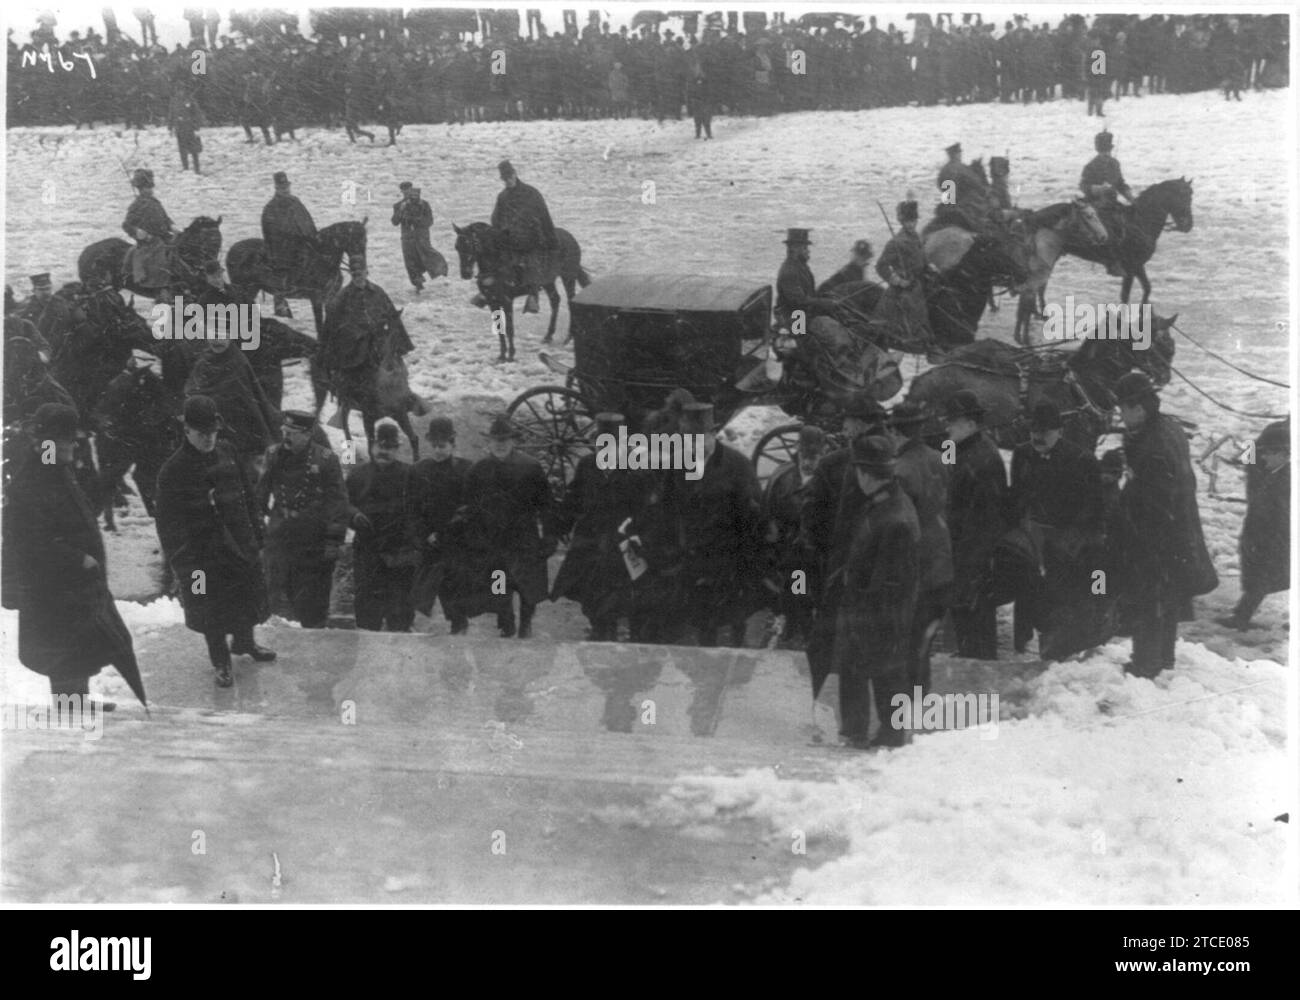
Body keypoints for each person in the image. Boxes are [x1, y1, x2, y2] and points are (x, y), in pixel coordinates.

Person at [2, 402, 141, 715]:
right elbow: (28, 542)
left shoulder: (56, 472)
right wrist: (78, 559)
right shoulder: (29, 484)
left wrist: (110, 478)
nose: (76, 444)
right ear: (48, 442)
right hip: (54, 585)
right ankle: (68, 709)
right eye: (68, 439)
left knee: (77, 643)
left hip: (70, 585)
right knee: (63, 647)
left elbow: (78, 510)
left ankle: (76, 700)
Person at [155, 395, 275, 688]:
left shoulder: (227, 451)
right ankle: (220, 661)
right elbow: (167, 524)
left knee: (246, 597)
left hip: (238, 544)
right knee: (209, 610)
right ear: (187, 431)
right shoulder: (173, 470)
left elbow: (248, 496)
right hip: (200, 556)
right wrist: (183, 563)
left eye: (213, 432)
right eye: (202, 433)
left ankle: (245, 643)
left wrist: (257, 533)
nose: (209, 438)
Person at [1112, 372, 1217, 677]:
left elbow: (1153, 501)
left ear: (1139, 409)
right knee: (1167, 600)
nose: (1120, 415)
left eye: (1123, 409)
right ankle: (1164, 657)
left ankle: (1146, 665)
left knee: (1148, 600)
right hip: (1179, 532)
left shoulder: (1151, 446)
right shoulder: (1169, 427)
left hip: (1157, 537)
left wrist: (1137, 538)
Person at [830, 435, 921, 749]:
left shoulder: (894, 517)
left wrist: (863, 614)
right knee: (859, 669)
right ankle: (856, 730)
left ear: (865, 474)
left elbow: (889, 582)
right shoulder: (885, 501)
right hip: (869, 607)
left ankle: (892, 738)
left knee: (886, 673)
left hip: (880, 612)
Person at [1007, 401, 1104, 660]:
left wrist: (1073, 539)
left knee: (1062, 594)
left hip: (1066, 540)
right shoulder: (1022, 454)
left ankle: (1059, 647)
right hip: (1032, 535)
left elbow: (1094, 507)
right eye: (1034, 431)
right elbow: (1017, 494)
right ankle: (1022, 640)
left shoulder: (1082, 460)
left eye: (1045, 432)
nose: (1038, 437)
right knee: (1026, 587)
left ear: (1060, 431)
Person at [660, 402, 763, 646]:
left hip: (728, 557)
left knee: (735, 618)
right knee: (702, 622)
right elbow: (666, 507)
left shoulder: (738, 465)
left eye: (698, 437)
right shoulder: (676, 464)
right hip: (693, 556)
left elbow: (753, 516)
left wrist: (747, 557)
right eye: (687, 438)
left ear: (712, 435)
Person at [550, 412, 658, 641]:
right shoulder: (588, 465)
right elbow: (574, 497)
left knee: (624, 591)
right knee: (590, 588)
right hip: (591, 536)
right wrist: (560, 525)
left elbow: (648, 508)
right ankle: (599, 628)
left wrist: (639, 533)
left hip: (622, 539)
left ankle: (623, 632)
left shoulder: (636, 470)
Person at [457, 415, 555, 638]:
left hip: (524, 539)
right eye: (495, 440)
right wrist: (472, 537)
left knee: (527, 586)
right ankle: (506, 621)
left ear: (513, 441)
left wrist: (549, 536)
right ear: (489, 443)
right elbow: (468, 507)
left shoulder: (530, 467)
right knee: (499, 585)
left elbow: (547, 506)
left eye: (505, 440)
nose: (500, 444)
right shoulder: (478, 470)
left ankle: (526, 623)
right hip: (493, 541)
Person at [258, 410, 350, 629]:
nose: (286, 437)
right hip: (280, 539)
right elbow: (259, 496)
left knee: (312, 605)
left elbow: (338, 504)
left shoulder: (326, 460)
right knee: (275, 600)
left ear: (308, 434)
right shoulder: (273, 455)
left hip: (312, 542)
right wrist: (260, 531)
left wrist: (333, 542)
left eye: (292, 433)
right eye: (284, 431)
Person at [885, 401, 953, 693]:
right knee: (922, 638)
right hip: (939, 557)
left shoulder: (899, 470)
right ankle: (921, 695)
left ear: (894, 431)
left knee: (905, 637)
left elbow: (900, 524)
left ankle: (907, 703)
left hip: (913, 562)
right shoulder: (939, 459)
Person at [943, 389, 1007, 659]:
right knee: (967, 616)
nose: (946, 427)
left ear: (970, 425)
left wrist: (970, 562)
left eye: (952, 422)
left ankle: (978, 673)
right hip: (964, 551)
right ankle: (971, 659)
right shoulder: (964, 449)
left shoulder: (982, 458)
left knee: (976, 615)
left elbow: (986, 518)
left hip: (975, 555)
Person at [346, 419, 422, 632]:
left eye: (389, 448)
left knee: (400, 612)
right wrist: (354, 516)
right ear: (373, 446)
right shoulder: (358, 475)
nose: (384, 452)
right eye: (380, 446)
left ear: (397, 449)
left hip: (400, 553)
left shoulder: (410, 475)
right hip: (368, 552)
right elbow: (343, 504)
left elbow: (420, 510)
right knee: (367, 613)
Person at [1219, 420, 1288, 629]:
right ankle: (1241, 615)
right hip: (1262, 495)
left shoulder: (1277, 431)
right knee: (1264, 573)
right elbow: (1254, 449)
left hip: (1270, 528)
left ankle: (1241, 616)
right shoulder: (1277, 431)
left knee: (1263, 574)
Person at [183, 336, 280, 484]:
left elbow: (251, 403)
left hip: (238, 437)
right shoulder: (204, 361)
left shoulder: (237, 363)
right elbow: (191, 390)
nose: (216, 341)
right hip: (207, 432)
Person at [762, 424, 826, 644]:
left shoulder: (828, 481)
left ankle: (804, 626)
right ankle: (795, 624)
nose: (808, 462)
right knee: (794, 590)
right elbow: (769, 512)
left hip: (816, 551)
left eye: (814, 457)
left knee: (807, 593)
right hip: (791, 551)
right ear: (798, 453)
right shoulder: (783, 479)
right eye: (804, 456)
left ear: (822, 454)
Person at [410, 416, 472, 634]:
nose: (438, 451)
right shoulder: (418, 471)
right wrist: (425, 533)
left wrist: (447, 533)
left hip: (456, 539)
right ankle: (417, 622)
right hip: (429, 540)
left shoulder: (465, 470)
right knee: (426, 583)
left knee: (454, 583)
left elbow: (468, 507)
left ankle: (459, 623)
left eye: (443, 446)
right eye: (434, 446)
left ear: (452, 444)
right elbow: (413, 507)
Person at [321, 261, 414, 377]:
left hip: (378, 339)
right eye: (354, 275)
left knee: (395, 368)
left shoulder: (378, 292)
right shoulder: (343, 296)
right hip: (355, 343)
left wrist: (402, 343)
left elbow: (392, 315)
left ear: (366, 273)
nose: (357, 278)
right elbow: (331, 323)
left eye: (360, 274)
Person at [490, 160, 558, 314]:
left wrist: (551, 239)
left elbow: (544, 216)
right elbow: (495, 219)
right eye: (504, 179)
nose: (507, 181)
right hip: (510, 240)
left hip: (531, 240)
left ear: (515, 174)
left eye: (509, 177)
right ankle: (488, 292)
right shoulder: (502, 197)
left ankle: (533, 296)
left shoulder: (531, 193)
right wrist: (499, 231)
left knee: (532, 263)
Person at [873, 200, 934, 349]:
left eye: (913, 221)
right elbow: (881, 266)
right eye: (908, 221)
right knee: (911, 304)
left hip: (921, 280)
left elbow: (922, 260)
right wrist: (897, 280)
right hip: (905, 286)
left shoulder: (917, 238)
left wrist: (931, 268)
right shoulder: (896, 242)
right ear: (902, 221)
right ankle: (914, 339)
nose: (911, 224)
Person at [1079, 130, 1133, 276]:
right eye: (1104, 151)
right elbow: (1083, 186)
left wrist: (1131, 197)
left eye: (1108, 150)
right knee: (1108, 229)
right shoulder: (1091, 166)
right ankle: (1111, 262)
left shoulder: (1115, 164)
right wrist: (1098, 189)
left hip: (1113, 203)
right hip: (1096, 204)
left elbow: (1121, 183)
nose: (1106, 154)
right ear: (1098, 150)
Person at [261, 172, 318, 301]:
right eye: (282, 188)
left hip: (303, 243)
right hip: (282, 249)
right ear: (276, 188)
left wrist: (313, 236)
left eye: (286, 187)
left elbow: (307, 220)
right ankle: (283, 294)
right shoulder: (270, 208)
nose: (285, 190)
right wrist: (295, 238)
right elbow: (271, 233)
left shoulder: (295, 202)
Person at [774, 228, 839, 332]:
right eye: (805, 248)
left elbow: (808, 295)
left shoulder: (800, 267)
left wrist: (827, 298)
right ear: (795, 248)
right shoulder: (789, 270)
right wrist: (826, 303)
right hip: (794, 317)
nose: (808, 251)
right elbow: (799, 301)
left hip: (802, 314)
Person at [121, 168, 176, 288]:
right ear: (140, 189)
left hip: (165, 237)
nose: (149, 191)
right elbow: (126, 225)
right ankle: (160, 286)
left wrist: (172, 226)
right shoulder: (136, 205)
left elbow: (165, 218)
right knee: (159, 260)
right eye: (146, 188)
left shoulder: (155, 202)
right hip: (149, 242)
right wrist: (138, 232)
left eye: (150, 188)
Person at [391, 182, 446, 292]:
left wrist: (417, 221)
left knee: (427, 254)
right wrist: (401, 210)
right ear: (402, 192)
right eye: (404, 190)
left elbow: (429, 221)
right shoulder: (398, 205)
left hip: (422, 236)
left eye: (409, 190)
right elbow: (394, 222)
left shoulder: (424, 204)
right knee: (410, 262)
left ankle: (441, 268)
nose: (407, 193)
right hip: (407, 238)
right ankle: (418, 284)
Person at [17, 273, 72, 359]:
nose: (46, 292)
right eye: (41, 289)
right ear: (34, 291)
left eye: (48, 288)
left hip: (60, 351)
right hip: (37, 352)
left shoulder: (61, 305)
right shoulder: (26, 308)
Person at [169, 87, 205, 173]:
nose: (180, 92)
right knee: (182, 150)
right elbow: (171, 114)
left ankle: (197, 168)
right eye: (178, 90)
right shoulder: (174, 101)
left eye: (181, 90)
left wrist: (197, 125)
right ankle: (185, 168)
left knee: (194, 150)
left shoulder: (190, 100)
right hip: (180, 128)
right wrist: (170, 127)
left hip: (190, 128)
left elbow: (197, 113)